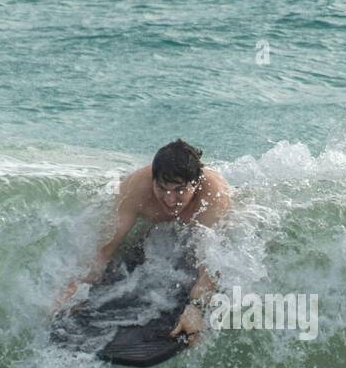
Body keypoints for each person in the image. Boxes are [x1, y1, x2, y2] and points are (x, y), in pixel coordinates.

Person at [53, 139, 231, 342]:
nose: (169, 199)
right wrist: (75, 287)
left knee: (199, 266)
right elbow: (104, 251)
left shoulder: (214, 198)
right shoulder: (135, 190)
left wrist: (197, 309)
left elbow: (210, 268)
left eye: (179, 190)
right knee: (119, 264)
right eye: (162, 188)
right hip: (151, 230)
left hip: (202, 228)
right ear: (153, 180)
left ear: (196, 184)